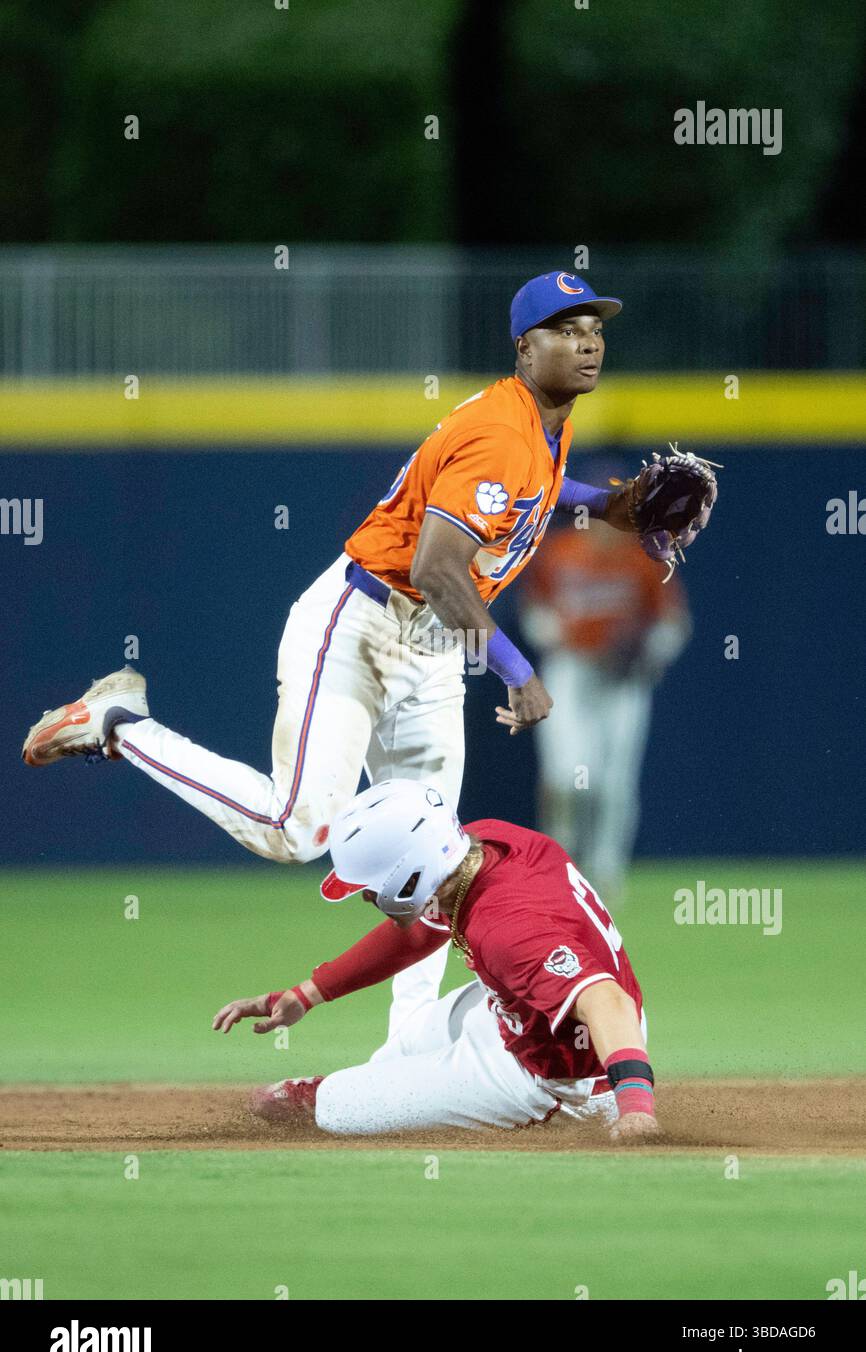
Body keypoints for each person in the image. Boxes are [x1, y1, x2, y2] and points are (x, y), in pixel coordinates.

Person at [22, 270, 637, 1037]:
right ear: (525, 346)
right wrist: (518, 672)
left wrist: (600, 502)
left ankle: (413, 1051)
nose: (587, 342)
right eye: (566, 328)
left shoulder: (541, 422)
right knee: (298, 830)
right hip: (361, 625)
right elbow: (437, 569)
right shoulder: (502, 431)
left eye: (595, 329)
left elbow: (530, 491)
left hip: (434, 648)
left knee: (437, 862)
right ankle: (119, 724)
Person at [212, 780, 660, 1144]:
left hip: (563, 1076)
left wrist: (636, 1110)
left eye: (367, 885)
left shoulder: (507, 929)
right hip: (527, 1012)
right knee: (397, 1052)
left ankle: (339, 1098)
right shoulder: (484, 843)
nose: (366, 896)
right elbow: (423, 926)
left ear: (410, 870)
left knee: (330, 1107)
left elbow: (607, 1002)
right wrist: (308, 993)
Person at [521, 515, 691, 899]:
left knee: (614, 782)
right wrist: (557, 633)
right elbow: (535, 612)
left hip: (624, 682)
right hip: (570, 672)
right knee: (566, 776)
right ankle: (558, 861)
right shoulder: (562, 549)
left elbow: (672, 624)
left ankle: (606, 870)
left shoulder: (647, 556)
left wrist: (646, 650)